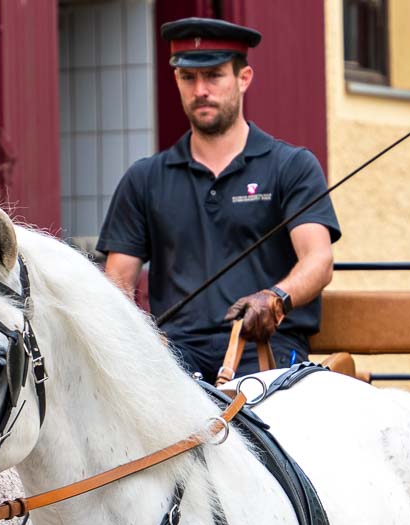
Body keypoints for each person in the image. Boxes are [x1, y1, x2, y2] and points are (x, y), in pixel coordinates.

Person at [98, 17, 340, 381]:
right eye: (188, 78)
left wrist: (275, 297)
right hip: (176, 355)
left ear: (243, 79)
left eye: (214, 76)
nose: (200, 90)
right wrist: (141, 339)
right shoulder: (145, 178)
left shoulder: (291, 166)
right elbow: (117, 284)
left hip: (264, 345)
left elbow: (319, 260)